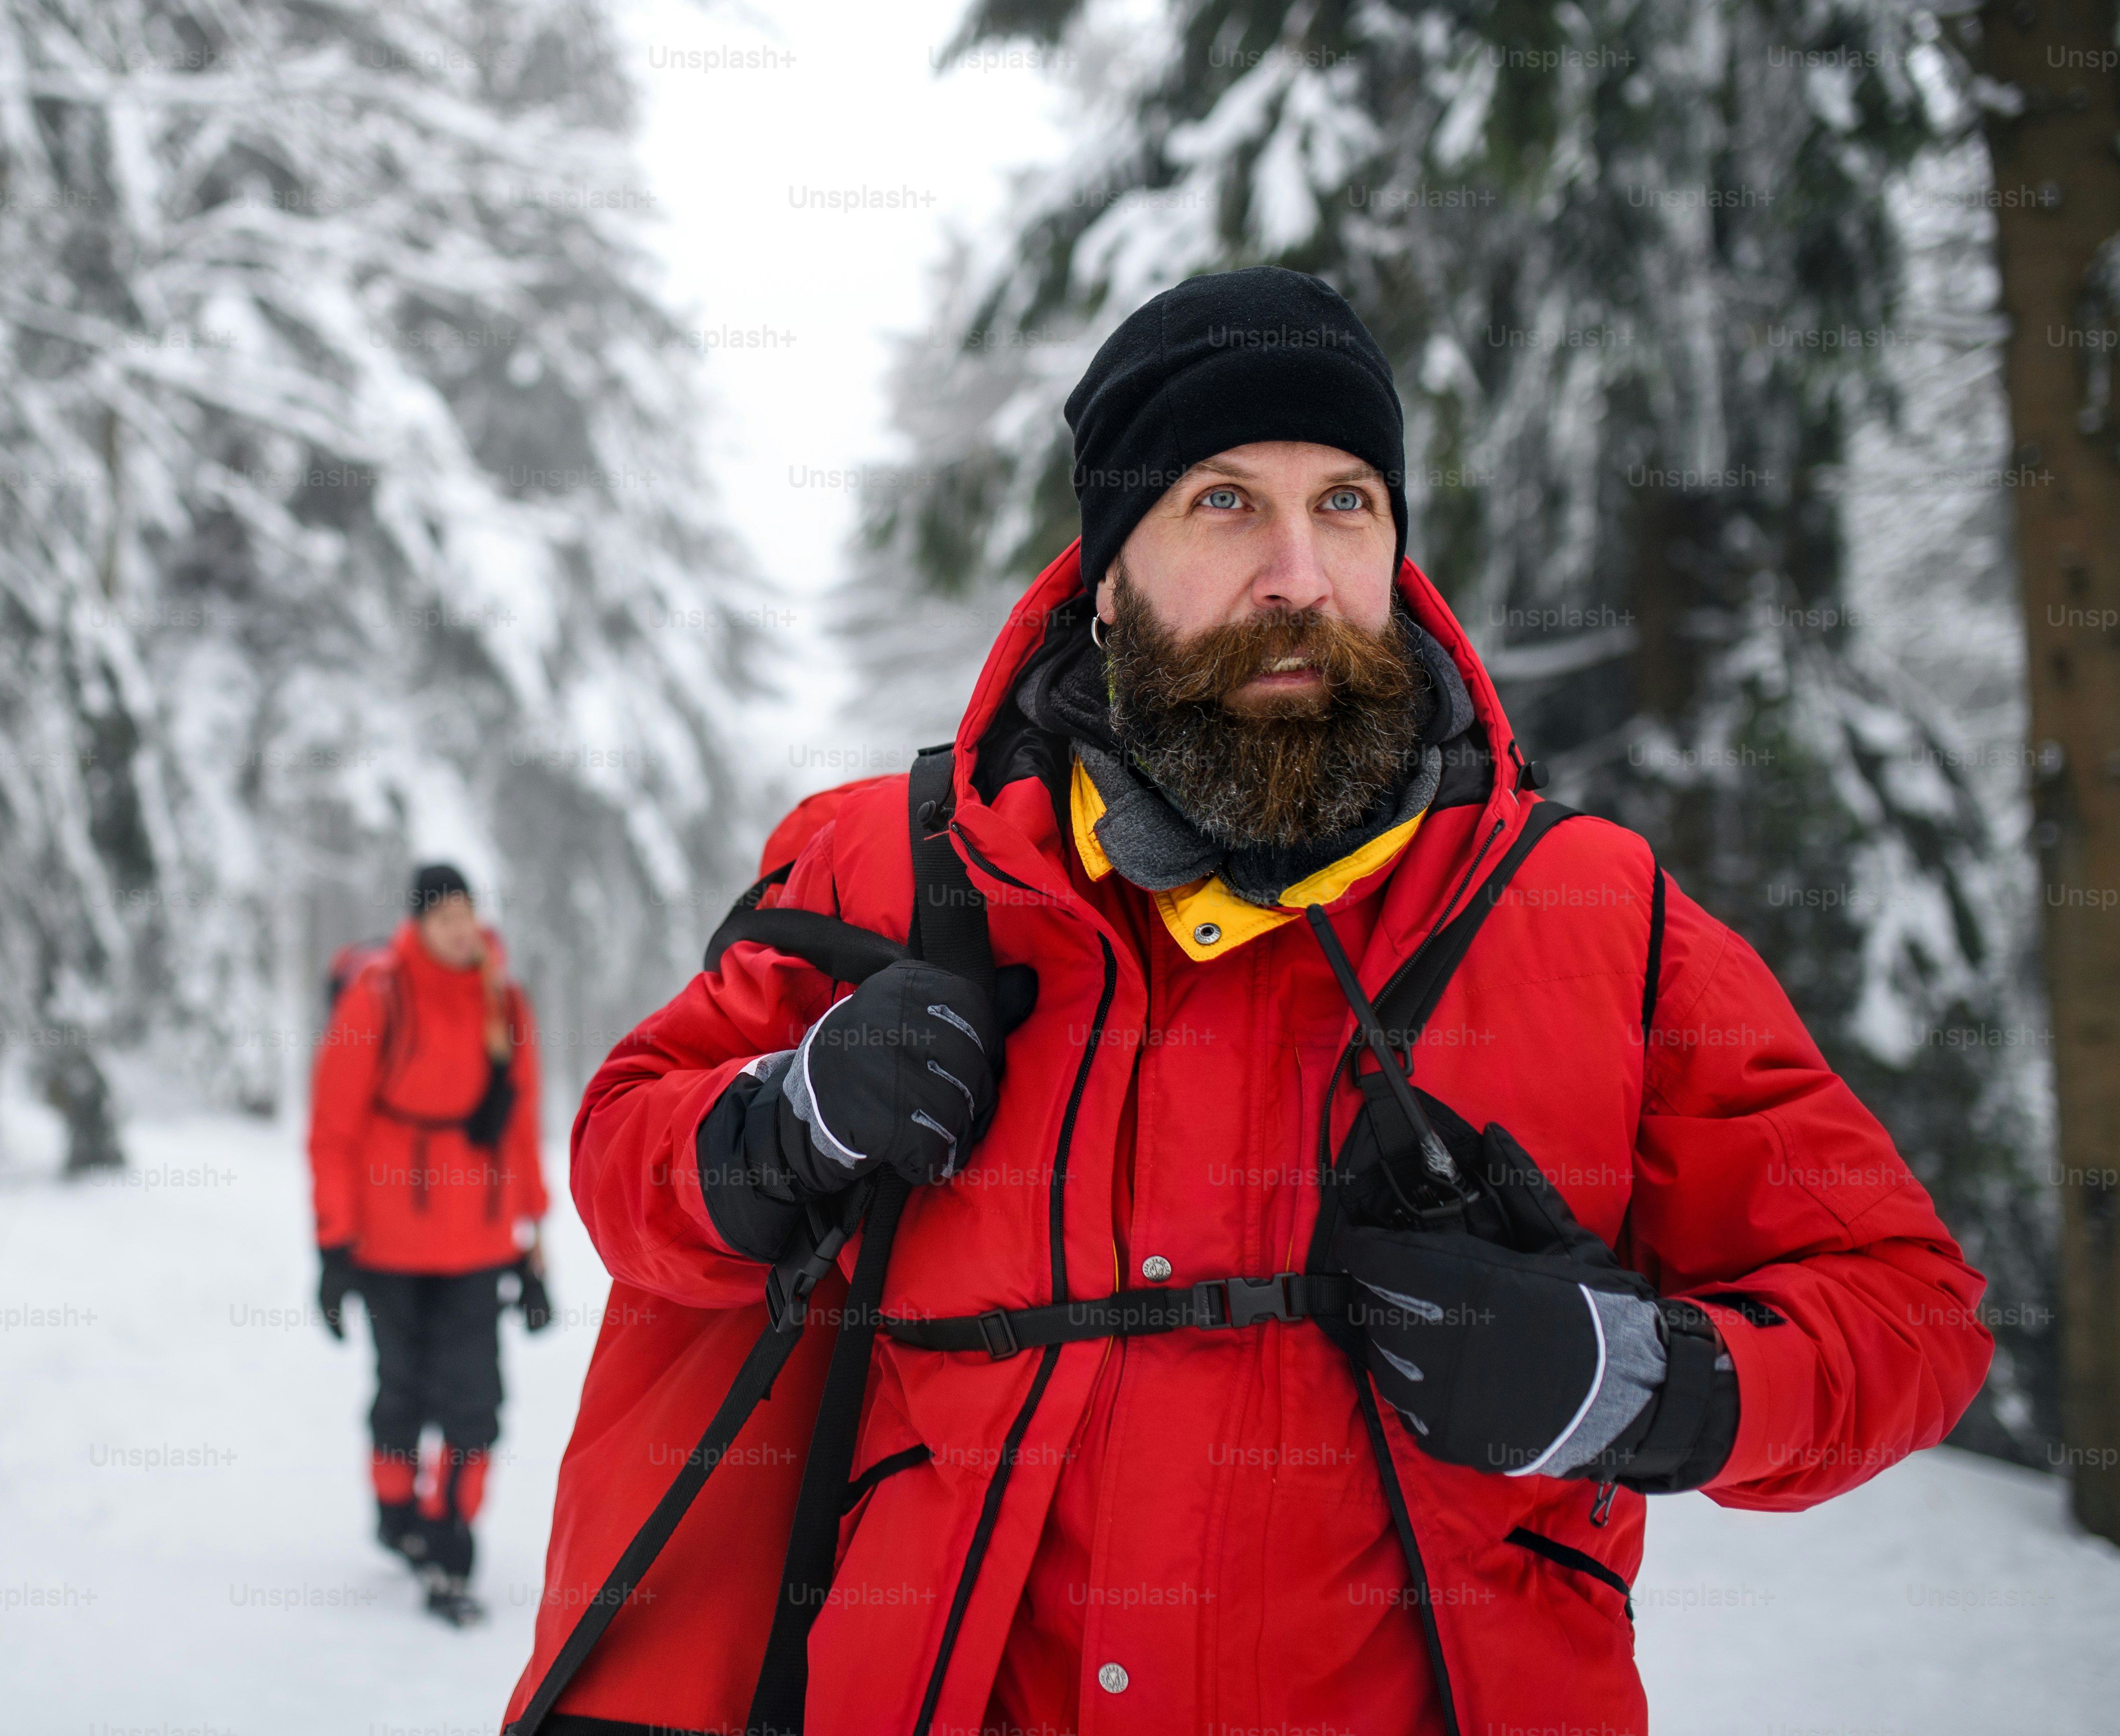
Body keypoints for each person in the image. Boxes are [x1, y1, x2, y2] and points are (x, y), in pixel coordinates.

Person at [507, 268, 1992, 1733]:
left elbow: (1907, 1313)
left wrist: (1647, 1386)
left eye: (1345, 501)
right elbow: (626, 1161)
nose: (1299, 571)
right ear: (1106, 578)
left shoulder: (1588, 914)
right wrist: (795, 1119)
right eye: (1224, 500)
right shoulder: (888, 872)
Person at [311, 862, 546, 1628]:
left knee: (474, 1400)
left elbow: (521, 1129)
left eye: (467, 914)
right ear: (418, 923)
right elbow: (333, 1130)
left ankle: (453, 1543)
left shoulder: (503, 999)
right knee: (403, 1391)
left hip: (478, 1243)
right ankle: (395, 1512)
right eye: (443, 916)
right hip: (387, 1243)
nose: (459, 929)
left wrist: (533, 1245)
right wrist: (332, 1245)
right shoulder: (377, 995)